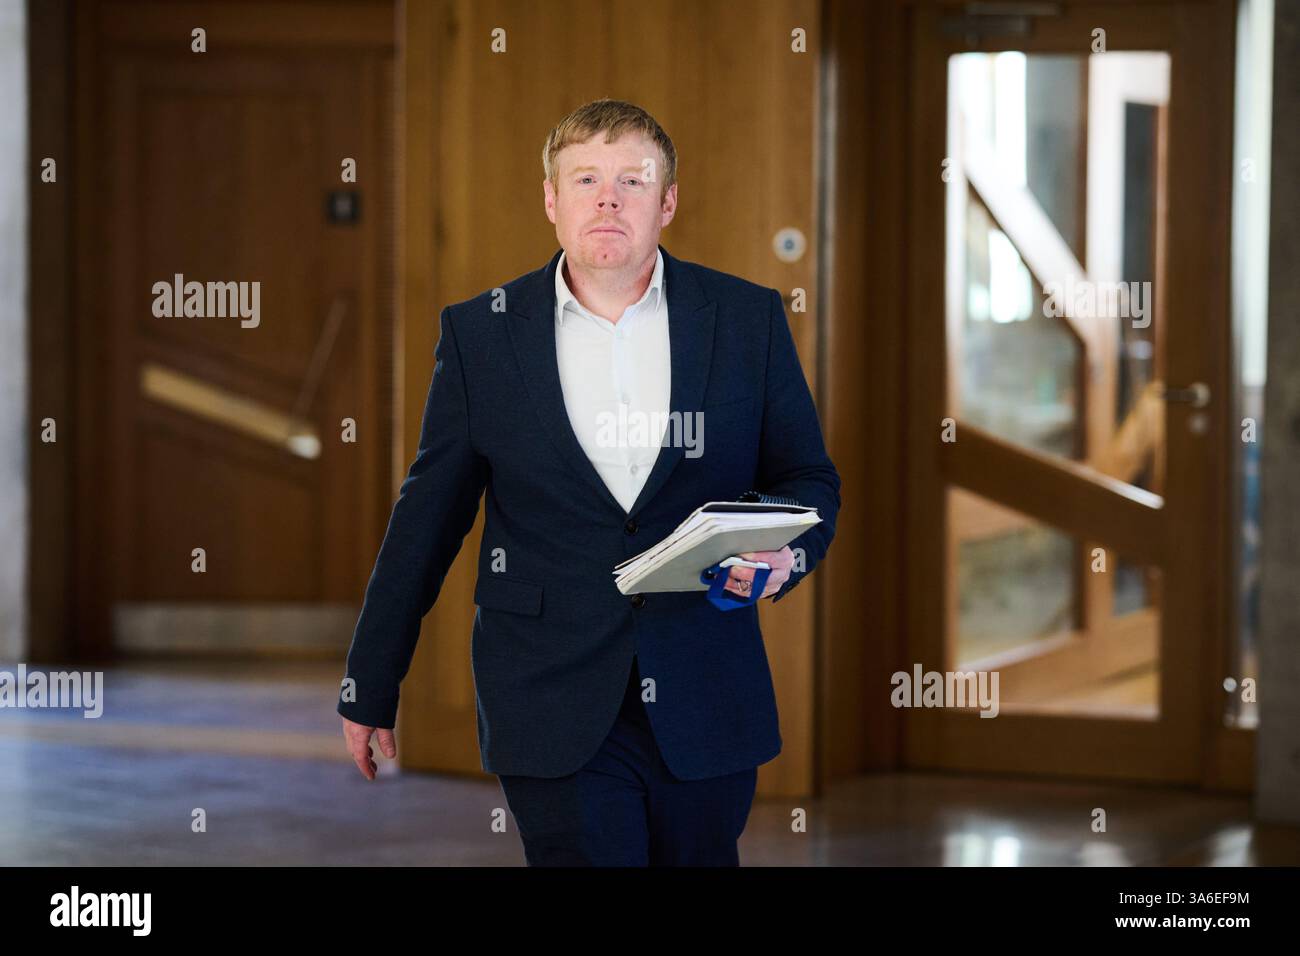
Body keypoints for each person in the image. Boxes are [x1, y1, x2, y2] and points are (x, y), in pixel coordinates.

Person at [338, 98, 840, 866]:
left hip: (706, 687)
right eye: (585, 179)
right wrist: (370, 681)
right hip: (549, 692)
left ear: (666, 202)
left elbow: (807, 478)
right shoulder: (482, 335)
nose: (608, 198)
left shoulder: (747, 321)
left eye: (632, 180)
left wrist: (785, 558)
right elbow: (427, 519)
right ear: (551, 199)